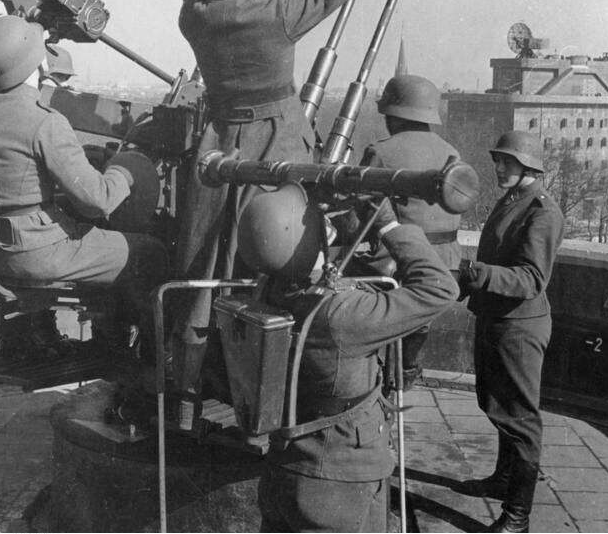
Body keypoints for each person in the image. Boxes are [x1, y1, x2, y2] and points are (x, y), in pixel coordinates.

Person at [172, 0, 361, 417]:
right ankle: (281, 388)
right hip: (278, 143)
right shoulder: (277, 13)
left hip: (218, 145)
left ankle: (190, 394)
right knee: (281, 264)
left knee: (207, 268)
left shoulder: (195, 15)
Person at [234, 184, 459, 532]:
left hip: (286, 468)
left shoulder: (267, 291)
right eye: (317, 226)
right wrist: (388, 226)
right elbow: (440, 287)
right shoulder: (342, 315)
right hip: (339, 481)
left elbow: (295, 256)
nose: (325, 230)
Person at [0, 15, 167, 359]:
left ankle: (109, 347)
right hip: (37, 255)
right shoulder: (45, 121)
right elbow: (98, 200)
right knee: (150, 252)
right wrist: (126, 168)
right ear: (36, 64)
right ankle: (148, 365)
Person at [458, 131, 564, 533]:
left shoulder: (542, 211)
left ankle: (517, 516)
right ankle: (503, 479)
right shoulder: (513, 201)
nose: (498, 167)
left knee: (521, 420)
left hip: (520, 327)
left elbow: (531, 278)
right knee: (495, 404)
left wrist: (478, 273)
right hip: (497, 320)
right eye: (498, 159)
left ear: (528, 166)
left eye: (506, 161)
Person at [354, 73, 463, 389]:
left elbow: (366, 210)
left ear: (393, 115)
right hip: (445, 267)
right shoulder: (451, 152)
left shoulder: (382, 151)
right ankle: (407, 370)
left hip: (397, 265)